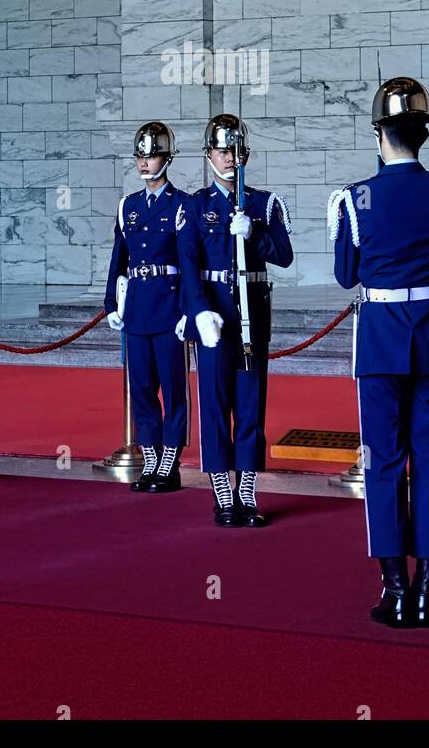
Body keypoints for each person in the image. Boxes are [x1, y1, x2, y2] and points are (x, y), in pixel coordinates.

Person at [327, 78, 429, 627]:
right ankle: (428, 594)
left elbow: (344, 276)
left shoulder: (354, 197)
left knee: (384, 461)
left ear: (380, 133)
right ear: (423, 133)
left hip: (383, 333)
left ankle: (395, 591)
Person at [176, 114, 293, 527]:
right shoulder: (195, 206)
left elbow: (284, 255)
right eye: (221, 151)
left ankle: (247, 490)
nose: (229, 158)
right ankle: (222, 491)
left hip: (252, 313)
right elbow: (188, 265)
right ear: (208, 155)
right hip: (215, 316)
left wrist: (254, 235)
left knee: (249, 401)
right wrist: (198, 312)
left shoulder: (263, 203)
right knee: (214, 401)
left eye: (235, 150)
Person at [104, 122, 190, 493]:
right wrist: (111, 302)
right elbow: (118, 260)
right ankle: (151, 457)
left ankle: (169, 461)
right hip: (137, 306)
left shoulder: (182, 205)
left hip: (169, 305)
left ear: (166, 159)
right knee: (140, 386)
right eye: (140, 156)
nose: (143, 162)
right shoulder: (129, 206)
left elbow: (190, 263)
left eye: (151, 155)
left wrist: (189, 308)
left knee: (173, 388)